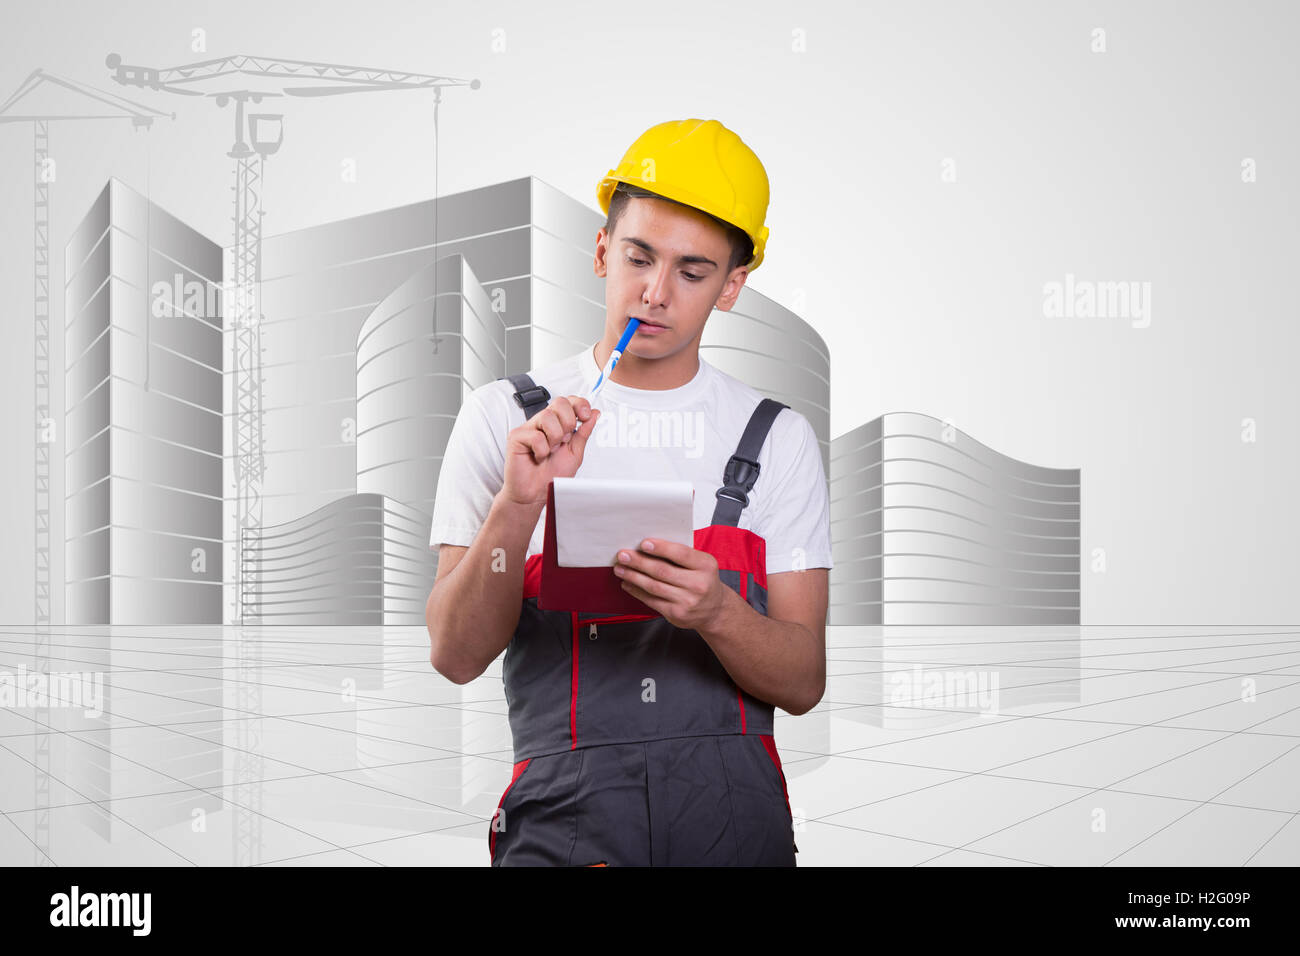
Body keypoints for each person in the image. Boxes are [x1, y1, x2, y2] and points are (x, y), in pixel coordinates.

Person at [426, 118, 832, 866]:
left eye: (692, 270)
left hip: (735, 830)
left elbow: (803, 681)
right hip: (563, 829)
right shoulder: (503, 418)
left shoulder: (775, 438)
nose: (653, 293)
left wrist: (716, 611)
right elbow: (454, 655)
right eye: (639, 257)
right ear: (602, 250)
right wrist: (518, 507)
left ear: (733, 287)